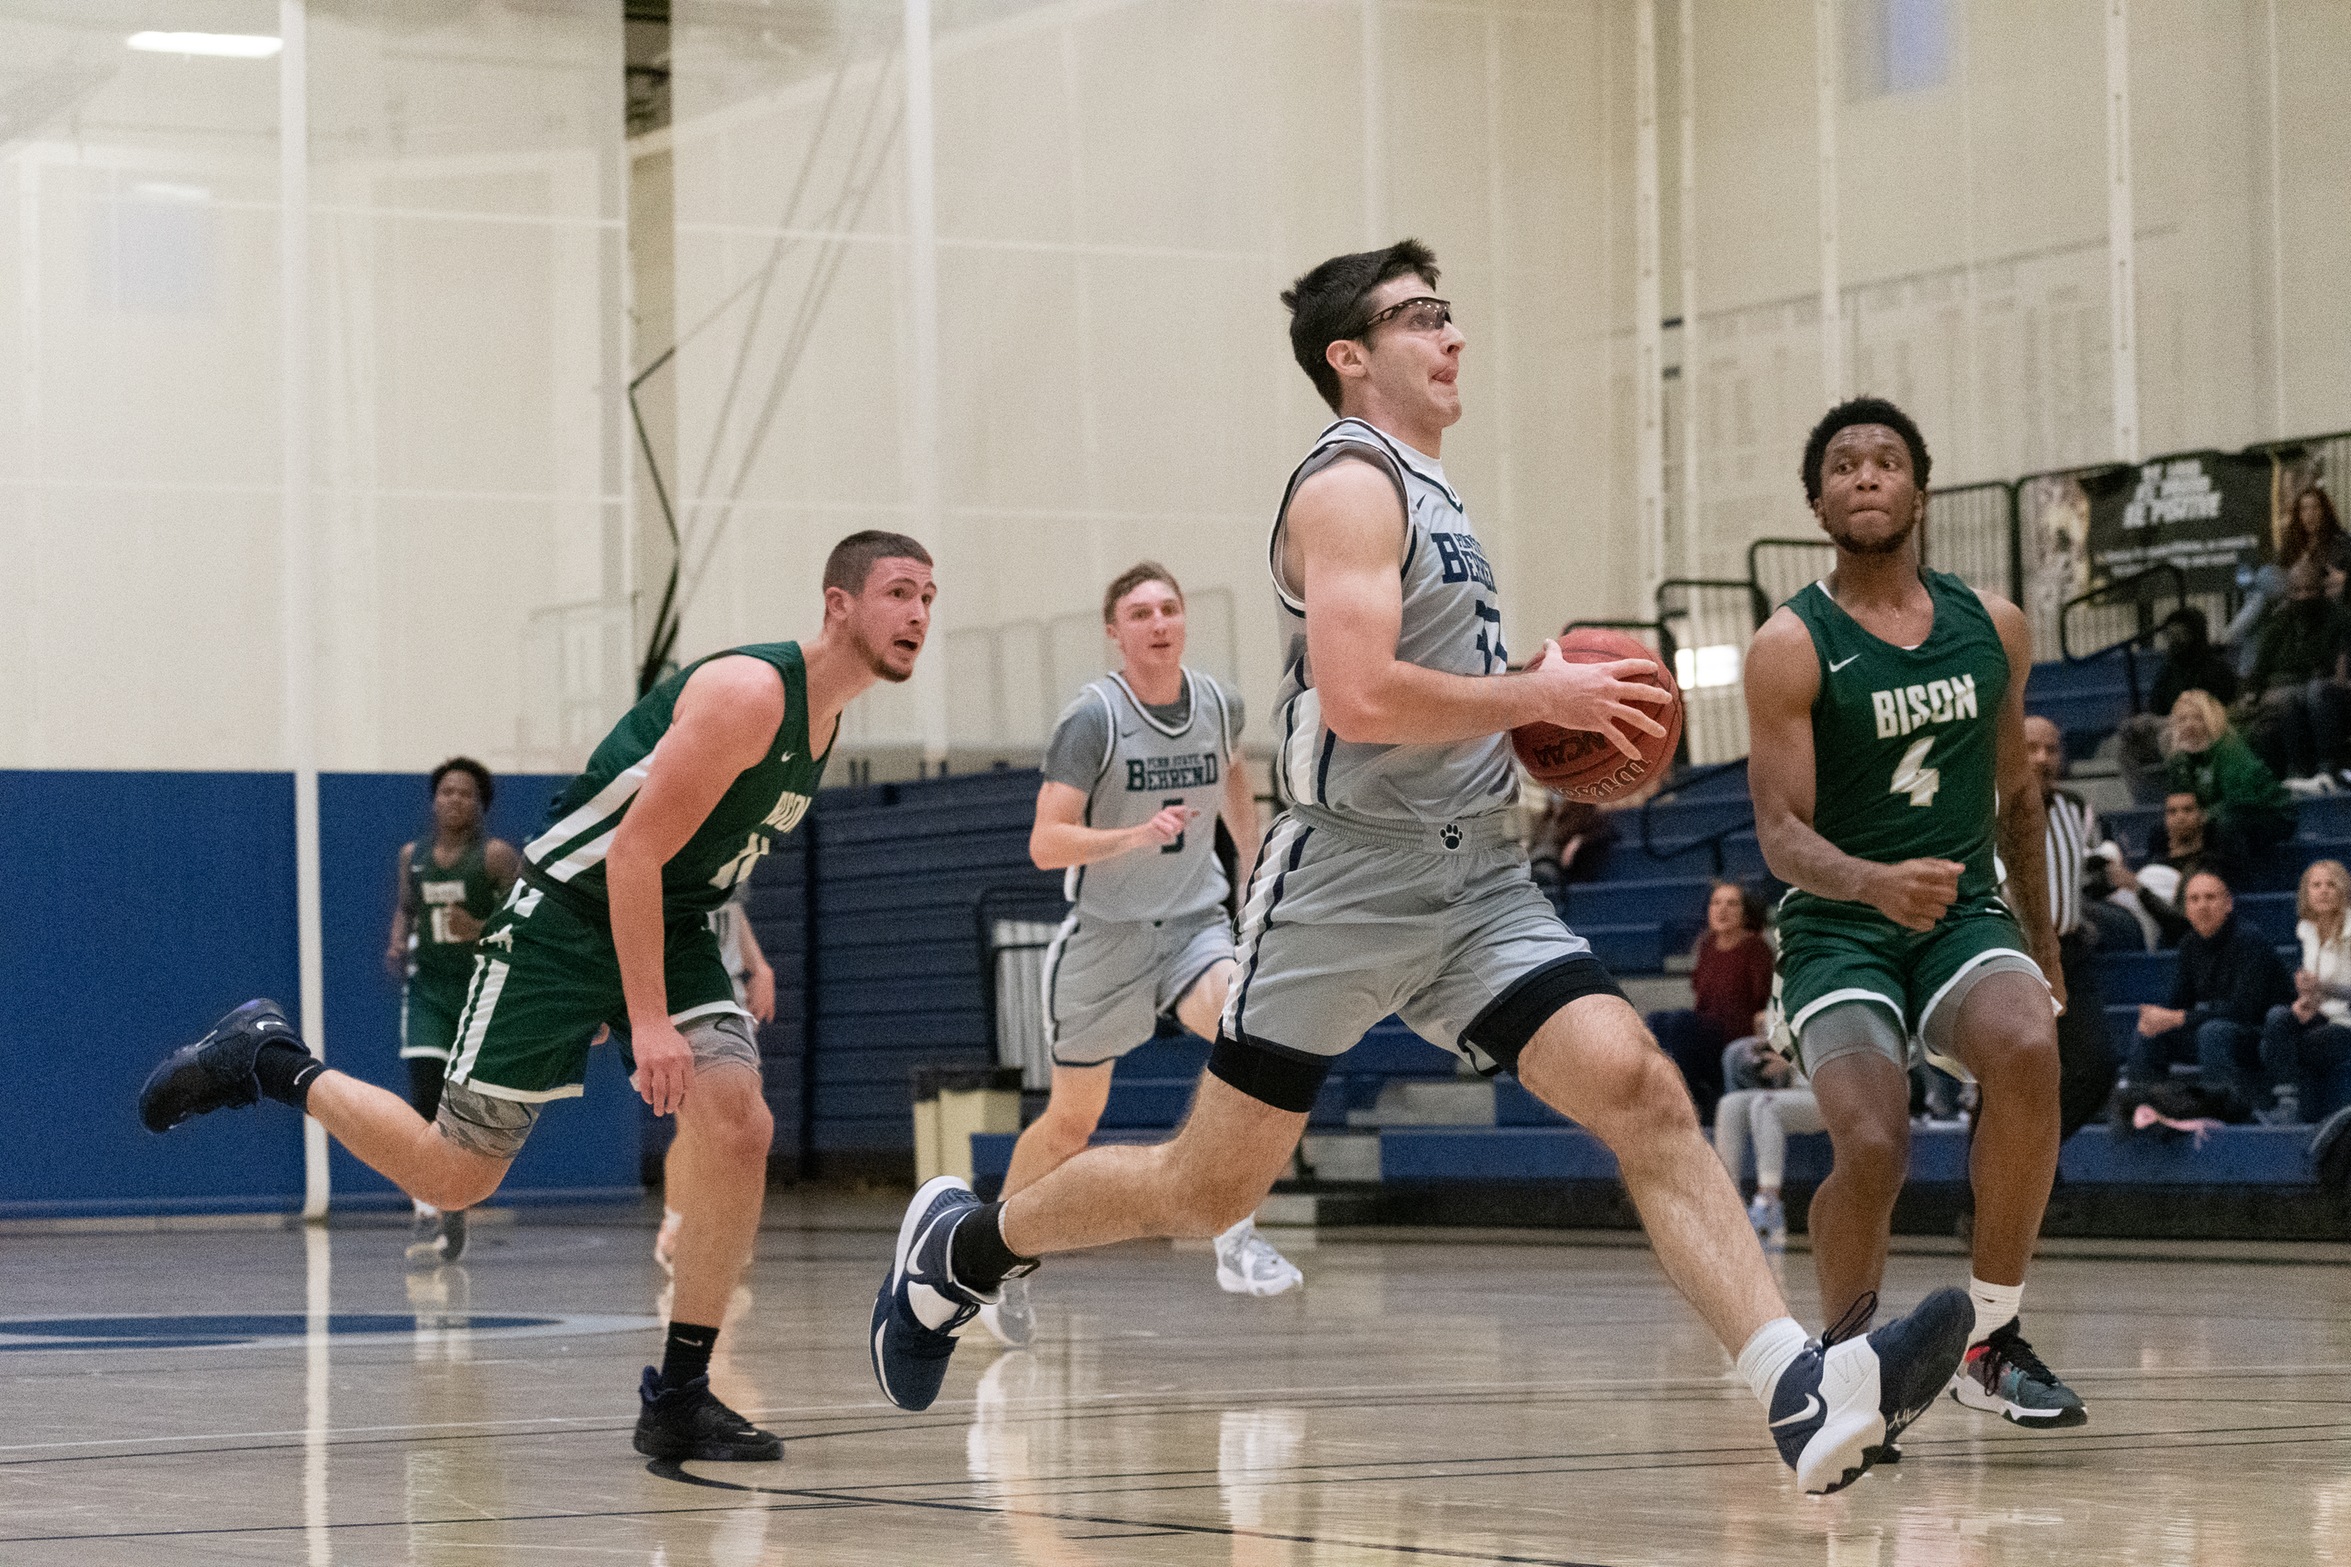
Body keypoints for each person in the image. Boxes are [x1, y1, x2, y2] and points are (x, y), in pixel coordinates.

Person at [866, 241, 1972, 1499]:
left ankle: (1792, 1384)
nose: (1452, 337)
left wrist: (1555, 721)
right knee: (1204, 1184)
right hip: (1341, 883)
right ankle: (963, 1246)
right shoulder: (1347, 486)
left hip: (1473, 884)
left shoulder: (1436, 493)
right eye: (1421, 317)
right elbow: (1358, 694)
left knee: (1643, 1091)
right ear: (1352, 356)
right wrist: (1533, 693)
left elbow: (1445, 691)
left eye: (1451, 313)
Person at [139, 530, 938, 1464]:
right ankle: (266, 1057)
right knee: (453, 1176)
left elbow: (681, 868)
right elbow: (632, 853)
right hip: (568, 916)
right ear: (838, 604)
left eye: (928, 595)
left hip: (671, 924)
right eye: (897, 592)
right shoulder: (752, 694)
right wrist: (645, 1020)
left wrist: (668, 984)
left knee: (739, 1124)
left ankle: (680, 1394)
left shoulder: (826, 723)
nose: (918, 613)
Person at [1744, 395, 2084, 1430]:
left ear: (1917, 493)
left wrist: (2038, 939)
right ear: (1817, 502)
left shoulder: (1994, 626)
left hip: (1958, 914)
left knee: (2026, 1047)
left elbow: (2015, 794)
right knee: (1874, 1142)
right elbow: (1777, 833)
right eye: (1841, 465)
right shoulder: (1788, 644)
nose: (1861, 475)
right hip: (1835, 924)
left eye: (1882, 460)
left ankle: (1990, 1338)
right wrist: (1867, 880)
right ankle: (1845, 1371)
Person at [982, 560, 1296, 1348]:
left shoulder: (1218, 701)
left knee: (1246, 1033)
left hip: (1193, 925)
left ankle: (1233, 1232)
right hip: (1106, 938)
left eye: (1168, 608)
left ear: (1183, 620)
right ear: (1113, 632)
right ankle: (994, 1261)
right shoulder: (1091, 719)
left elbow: (1231, 770)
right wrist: (1131, 835)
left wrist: (1250, 854)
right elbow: (1045, 843)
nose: (1157, 622)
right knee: (1069, 1125)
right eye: (1139, 612)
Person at [384, 758, 518, 1265]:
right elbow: (407, 908)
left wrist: (480, 928)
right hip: (428, 991)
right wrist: (398, 940)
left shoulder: (496, 858)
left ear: (480, 803)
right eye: (445, 792)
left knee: (460, 1102)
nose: (453, 800)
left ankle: (453, 1199)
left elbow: (527, 924)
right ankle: (430, 1200)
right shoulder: (412, 857)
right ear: (433, 799)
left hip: (480, 992)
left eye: (464, 793)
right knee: (423, 1088)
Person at [655, 882, 778, 1275]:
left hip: (730, 994)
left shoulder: (732, 840)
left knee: (738, 1122)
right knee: (696, 1125)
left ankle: (723, 1229)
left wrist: (759, 966)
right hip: (687, 992)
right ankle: (678, 1226)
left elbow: (731, 907)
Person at [2019, 718, 2122, 1144]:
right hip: (2012, 958)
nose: (2043, 759)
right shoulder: (1983, 809)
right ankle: (1980, 1208)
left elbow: (2084, 870)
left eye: (2052, 749)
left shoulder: (2076, 807)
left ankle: (2032, 1151)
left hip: (2069, 954)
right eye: (2031, 748)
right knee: (2012, 1077)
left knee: (2098, 1066)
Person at [2127, 868, 2292, 1119]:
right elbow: (2179, 1003)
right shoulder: (2189, 944)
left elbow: (2242, 1011)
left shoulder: (2250, 941)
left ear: (2228, 904)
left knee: (2213, 1032)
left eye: (2210, 898)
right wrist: (2157, 1018)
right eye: (2194, 899)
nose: (2202, 906)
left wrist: (2177, 1018)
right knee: (2150, 1031)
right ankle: (2144, 1112)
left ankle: (2226, 1115)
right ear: (2185, 908)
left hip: (2263, 1036)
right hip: (2221, 1030)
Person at [1647, 881, 1774, 1122]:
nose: (1722, 910)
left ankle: (1689, 1106)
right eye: (1716, 903)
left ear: (1745, 912)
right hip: (1706, 1034)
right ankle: (1673, 1100)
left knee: (1680, 1023)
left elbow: (1764, 1001)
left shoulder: (1756, 948)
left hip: (1736, 1035)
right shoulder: (1706, 946)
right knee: (1657, 1020)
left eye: (1732, 904)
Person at [2258, 858, 2351, 1126]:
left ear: (2343, 890)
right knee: (2277, 1017)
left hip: (2345, 1023)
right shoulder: (2306, 931)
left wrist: (2323, 988)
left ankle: (2294, 1112)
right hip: (2319, 1015)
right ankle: (2293, 1109)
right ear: (2306, 894)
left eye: (2330, 884)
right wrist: (2306, 999)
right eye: (2316, 885)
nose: (2323, 890)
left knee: (2282, 1049)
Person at [2244, 556, 2351, 787]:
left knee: (2315, 692)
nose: (2303, 596)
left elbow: (2339, 670)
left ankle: (2327, 765)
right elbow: (2259, 673)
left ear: (2321, 589)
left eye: (2309, 589)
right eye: (2297, 590)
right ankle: (2297, 771)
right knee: (2282, 699)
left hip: (2331, 692)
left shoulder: (2340, 618)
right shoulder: (2278, 624)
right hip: (2287, 690)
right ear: (2288, 592)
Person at [2116, 607, 2238, 804]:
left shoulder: (2217, 669)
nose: (2174, 641)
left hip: (2205, 730)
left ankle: (2184, 799)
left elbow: (2219, 713)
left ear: (2195, 635)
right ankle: (2145, 800)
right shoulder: (2167, 672)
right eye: (2170, 635)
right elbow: (2156, 709)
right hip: (2165, 726)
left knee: (2169, 736)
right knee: (2127, 744)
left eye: (2181, 635)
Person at [2164, 689, 2294, 872]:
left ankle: (2234, 880)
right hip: (2216, 816)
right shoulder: (2179, 760)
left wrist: (2201, 817)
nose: (2189, 725)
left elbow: (2240, 800)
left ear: (2210, 721)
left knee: (2226, 823)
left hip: (2268, 813)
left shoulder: (2230, 748)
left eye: (2196, 718)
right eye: (2183, 720)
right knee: (2162, 830)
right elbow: (2178, 802)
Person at [1713, 1050, 1821, 1251]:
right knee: (1731, 1105)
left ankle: (1769, 1207)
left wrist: (1791, 1061)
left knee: (1765, 1104)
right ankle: (1728, 1206)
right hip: (1798, 1091)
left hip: (1834, 1093)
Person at [2104, 790, 2213, 949]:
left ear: (2202, 816)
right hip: (2119, 914)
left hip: (2140, 928)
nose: (2180, 817)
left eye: (2188, 810)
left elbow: (2183, 924)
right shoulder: (2155, 860)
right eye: (2172, 812)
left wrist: (2138, 888)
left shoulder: (2207, 865)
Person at [1525, 791, 1619, 889]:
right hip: (1533, 863)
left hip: (1555, 866)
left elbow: (1609, 832)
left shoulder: (1584, 814)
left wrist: (1579, 841)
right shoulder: (1546, 819)